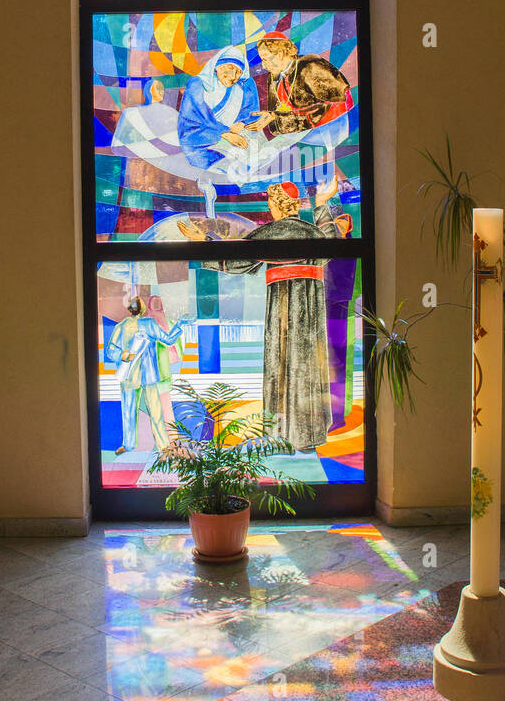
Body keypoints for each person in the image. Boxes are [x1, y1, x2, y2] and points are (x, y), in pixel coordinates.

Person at [178, 177, 341, 453]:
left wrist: (202, 241)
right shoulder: (312, 232)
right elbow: (333, 241)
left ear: (276, 206)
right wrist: (322, 204)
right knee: (308, 366)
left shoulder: (270, 233)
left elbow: (236, 259)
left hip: (281, 307)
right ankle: (309, 434)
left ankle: (282, 435)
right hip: (311, 309)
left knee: (281, 363)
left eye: (269, 202)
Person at [106, 297, 191, 455]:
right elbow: (168, 339)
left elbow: (111, 351)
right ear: (143, 308)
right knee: (141, 411)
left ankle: (159, 445)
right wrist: (124, 354)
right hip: (132, 375)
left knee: (143, 411)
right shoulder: (126, 326)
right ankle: (147, 445)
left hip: (144, 375)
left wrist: (122, 355)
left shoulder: (129, 326)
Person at [246, 32, 353, 136]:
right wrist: (270, 116)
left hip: (330, 131)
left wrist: (276, 117)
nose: (264, 66)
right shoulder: (273, 76)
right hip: (296, 136)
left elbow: (336, 105)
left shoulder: (311, 66)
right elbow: (274, 112)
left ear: (280, 54)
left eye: (265, 60)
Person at [178, 45, 260, 170]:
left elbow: (252, 113)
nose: (233, 75)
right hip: (200, 142)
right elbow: (192, 122)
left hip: (234, 141)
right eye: (230, 67)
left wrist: (242, 123)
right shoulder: (198, 84)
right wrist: (225, 133)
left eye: (238, 72)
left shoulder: (241, 89)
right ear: (217, 66)